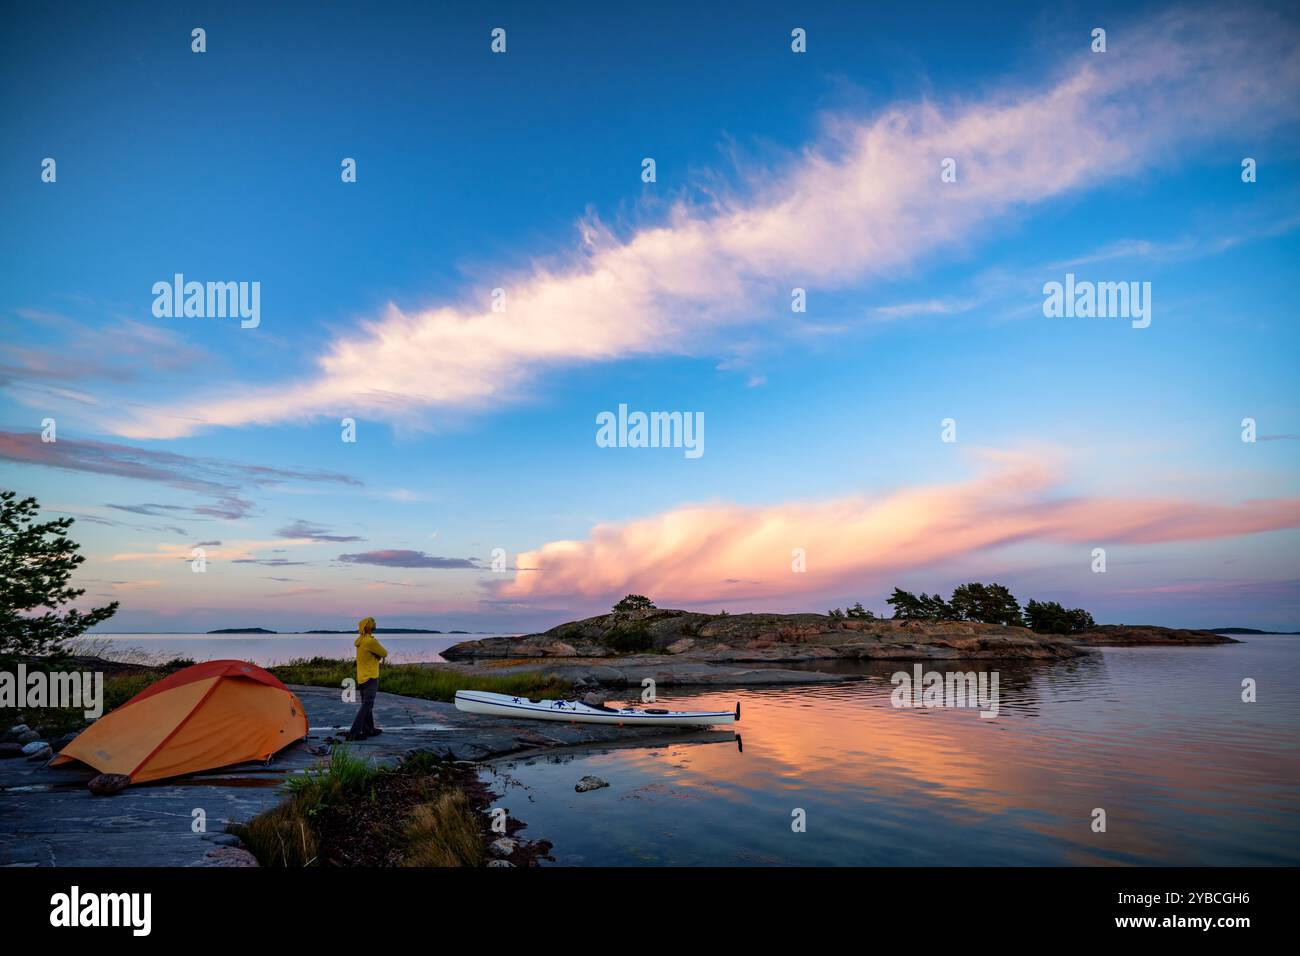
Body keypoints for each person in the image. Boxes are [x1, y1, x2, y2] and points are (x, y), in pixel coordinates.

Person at [346, 617, 388, 741]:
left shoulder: (360, 641)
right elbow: (384, 653)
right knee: (367, 704)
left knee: (367, 704)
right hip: (371, 676)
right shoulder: (370, 641)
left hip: (361, 677)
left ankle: (369, 729)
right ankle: (354, 733)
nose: (375, 624)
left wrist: (376, 656)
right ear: (369, 627)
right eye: (373, 623)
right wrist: (378, 657)